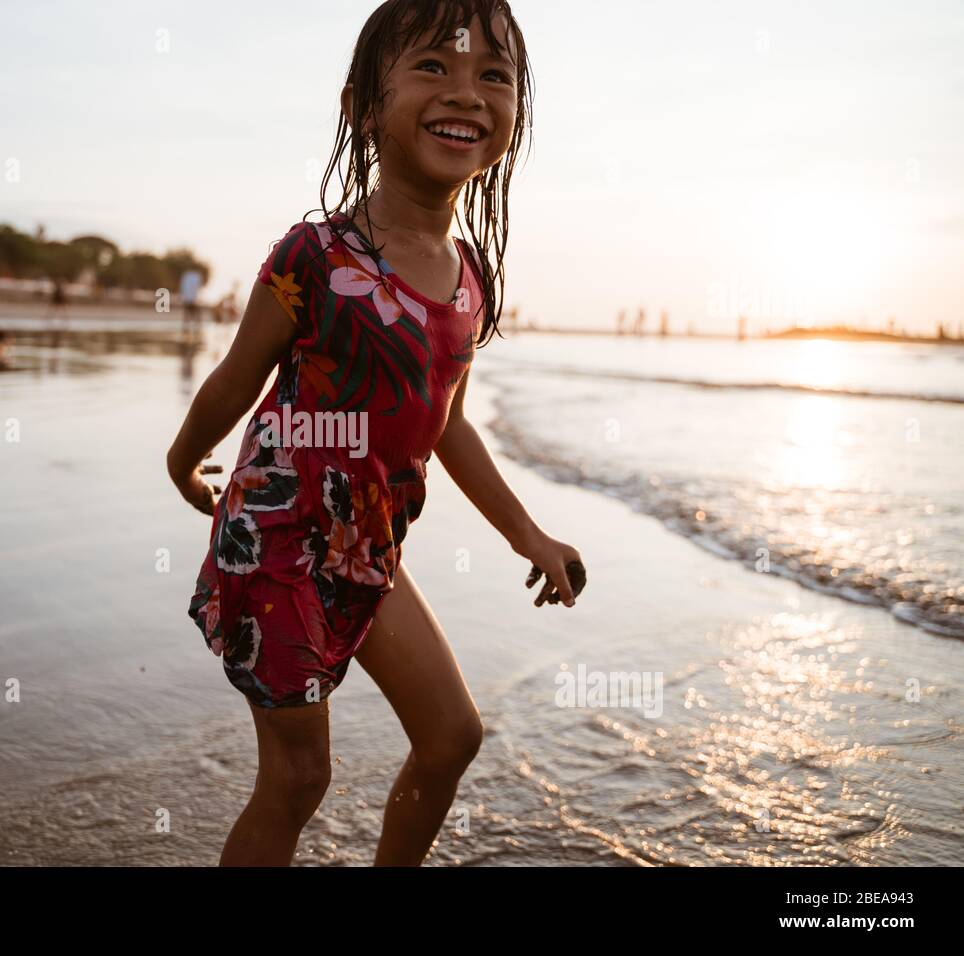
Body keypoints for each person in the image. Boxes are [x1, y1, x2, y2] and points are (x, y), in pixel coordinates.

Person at [166, 0, 581, 867]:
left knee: (451, 736)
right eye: (432, 66)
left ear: (515, 115)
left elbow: (448, 424)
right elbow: (237, 380)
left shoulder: (472, 278)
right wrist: (181, 459)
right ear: (363, 103)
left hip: (368, 549)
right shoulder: (313, 257)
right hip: (276, 539)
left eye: (494, 76)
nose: (465, 91)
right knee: (298, 779)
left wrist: (529, 534)